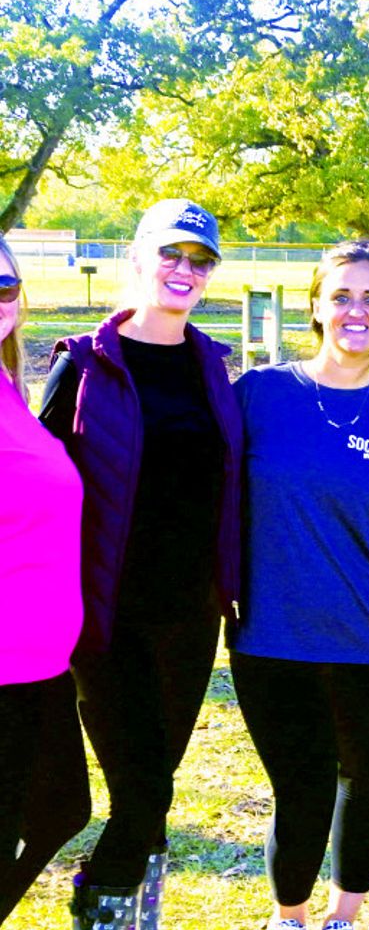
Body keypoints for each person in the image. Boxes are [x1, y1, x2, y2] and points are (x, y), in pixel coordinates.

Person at [228, 240, 369, 930]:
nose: (357, 310)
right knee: (301, 787)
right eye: (342, 296)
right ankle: (289, 918)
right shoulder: (259, 395)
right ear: (317, 307)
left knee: (368, 783)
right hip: (271, 640)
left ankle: (344, 916)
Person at [40, 200, 242, 930]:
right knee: (144, 789)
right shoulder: (83, 364)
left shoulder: (213, 367)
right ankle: (99, 910)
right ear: (137, 256)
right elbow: (37, 482)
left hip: (190, 618)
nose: (185, 270)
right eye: (171, 254)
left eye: (200, 260)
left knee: (155, 784)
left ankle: (136, 916)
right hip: (105, 617)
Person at [0, 237, 90, 921]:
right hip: (5, 664)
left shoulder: (9, 386)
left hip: (42, 660)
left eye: (4, 286)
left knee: (62, 809)